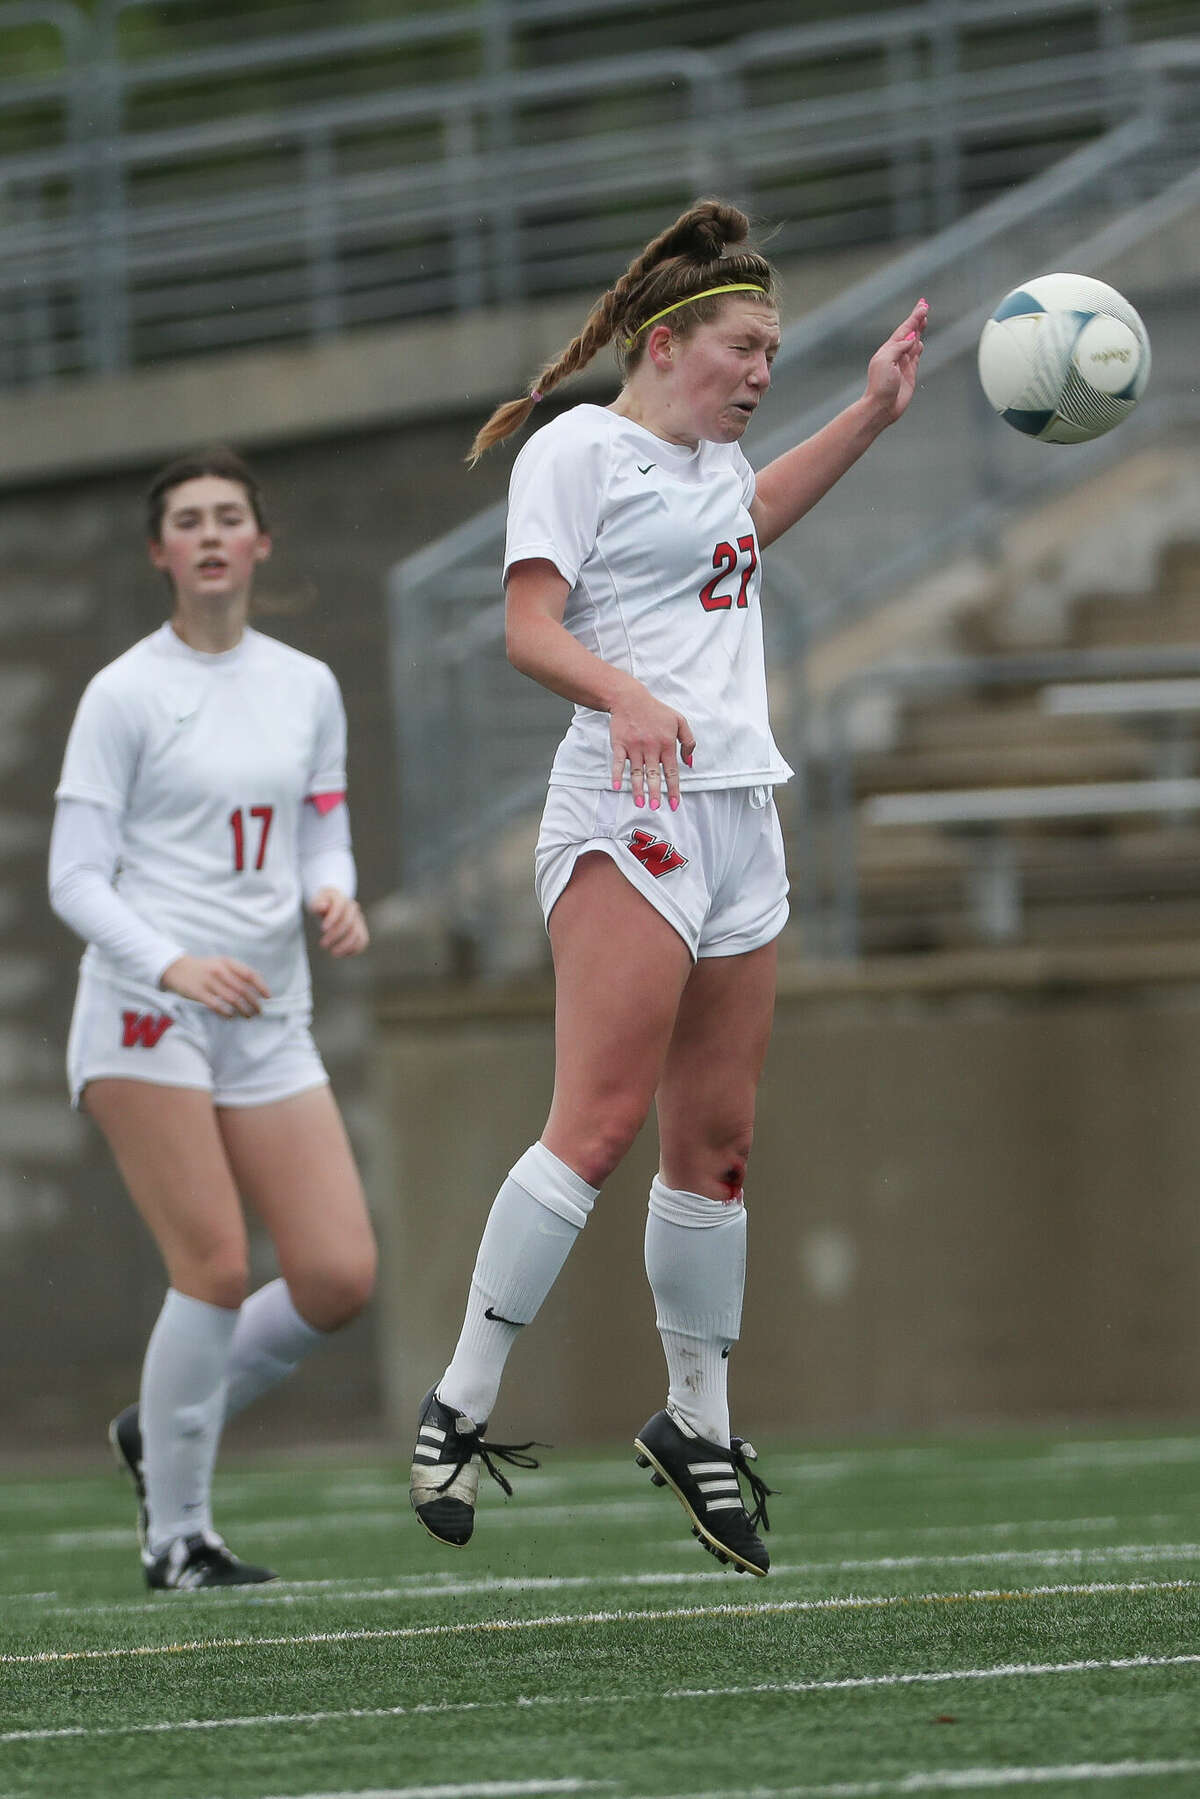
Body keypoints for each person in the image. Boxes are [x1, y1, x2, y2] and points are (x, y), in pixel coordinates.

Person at [408, 198, 927, 1578]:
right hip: (629, 808)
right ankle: (458, 1400)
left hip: (739, 813)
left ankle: (697, 1421)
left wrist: (870, 414)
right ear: (666, 338)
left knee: (719, 1144)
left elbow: (746, 521)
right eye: (746, 347)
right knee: (596, 1122)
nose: (763, 372)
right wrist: (626, 691)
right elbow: (529, 626)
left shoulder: (715, 463)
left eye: (774, 351)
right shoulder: (580, 447)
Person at [48, 447, 377, 1591]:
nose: (209, 535)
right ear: (160, 553)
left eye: (229, 516)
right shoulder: (124, 693)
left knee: (338, 1274)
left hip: (269, 1008)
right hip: (149, 1007)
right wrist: (174, 964)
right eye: (186, 520)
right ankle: (177, 1535)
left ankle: (160, 1419)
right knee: (216, 1266)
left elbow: (322, 828)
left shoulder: (307, 685)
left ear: (260, 542)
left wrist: (333, 891)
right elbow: (75, 878)